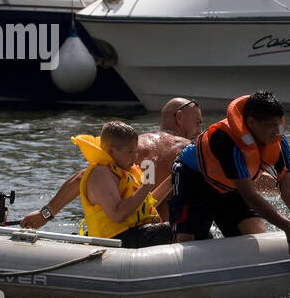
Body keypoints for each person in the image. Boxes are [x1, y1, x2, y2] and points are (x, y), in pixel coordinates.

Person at [171, 91, 290, 256]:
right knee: (187, 242)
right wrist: (288, 226)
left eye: (278, 125)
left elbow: (289, 191)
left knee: (256, 232)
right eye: (270, 125)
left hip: (232, 185)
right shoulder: (226, 141)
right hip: (194, 178)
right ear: (251, 122)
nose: (276, 132)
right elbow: (249, 195)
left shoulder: (278, 141)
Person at [21, 98, 204, 229]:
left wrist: (45, 214)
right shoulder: (189, 151)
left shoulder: (130, 146)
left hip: (123, 234)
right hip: (155, 239)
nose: (199, 130)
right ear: (179, 117)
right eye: (197, 122)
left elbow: (81, 178)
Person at [74, 121, 174, 248]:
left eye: (135, 150)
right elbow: (118, 215)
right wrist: (146, 186)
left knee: (186, 224)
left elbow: (144, 204)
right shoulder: (101, 174)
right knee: (178, 229)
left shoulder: (125, 172)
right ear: (111, 151)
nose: (135, 156)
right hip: (115, 240)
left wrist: (172, 179)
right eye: (130, 151)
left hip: (135, 233)